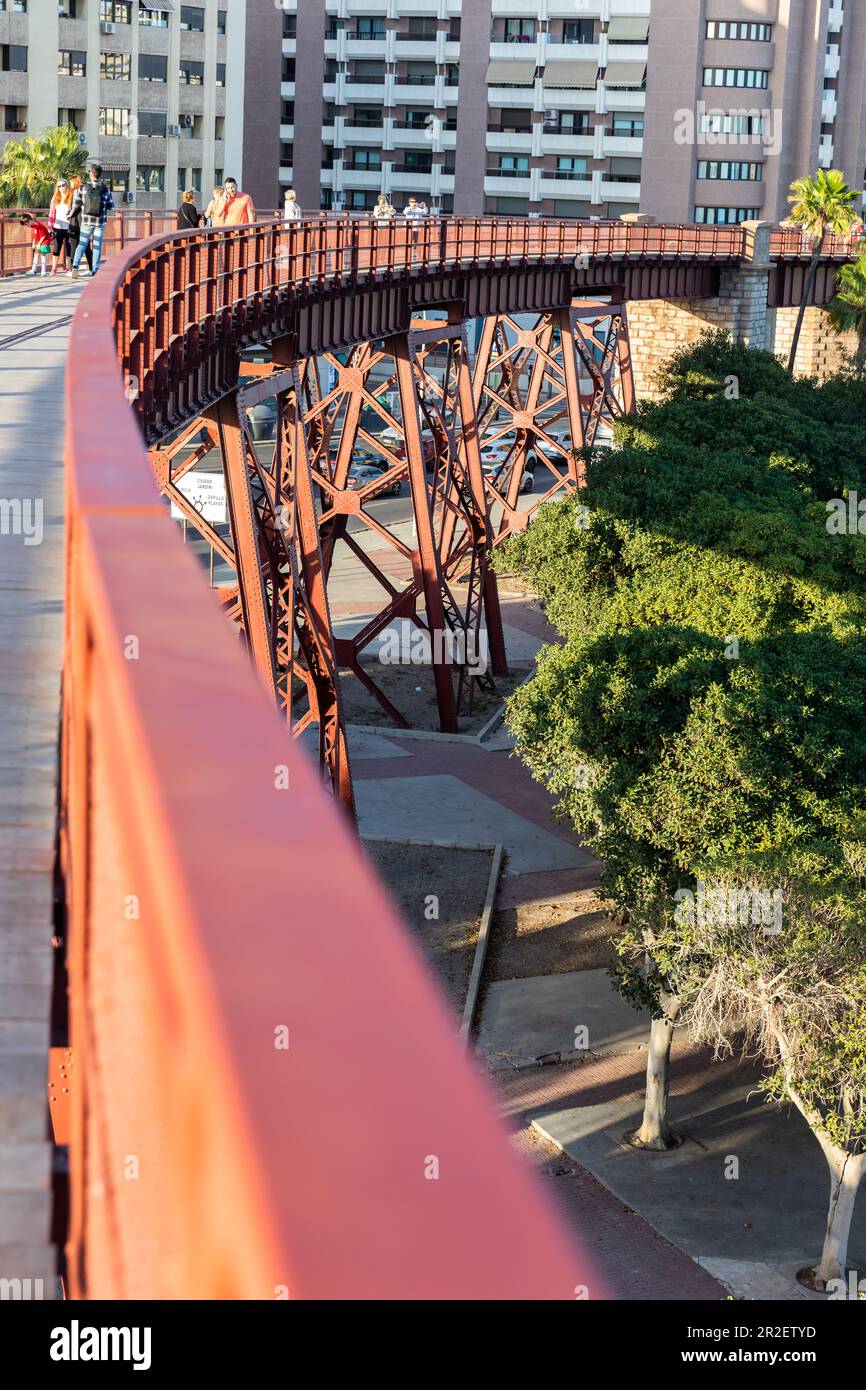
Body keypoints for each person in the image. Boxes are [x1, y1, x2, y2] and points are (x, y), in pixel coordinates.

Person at [69, 163, 114, 279]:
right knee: (97, 246)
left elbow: (77, 204)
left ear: (91, 173)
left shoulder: (83, 187)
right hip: (99, 222)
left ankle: (75, 267)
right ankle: (95, 270)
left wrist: (71, 214)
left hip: (86, 221)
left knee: (82, 244)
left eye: (89, 171)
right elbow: (110, 205)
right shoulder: (105, 188)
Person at [66, 175, 93, 275]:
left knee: (73, 244)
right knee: (86, 246)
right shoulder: (86, 191)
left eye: (71, 182)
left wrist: (69, 214)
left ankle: (74, 269)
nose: (70, 184)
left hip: (76, 222)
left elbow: (76, 207)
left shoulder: (77, 192)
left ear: (76, 182)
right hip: (84, 222)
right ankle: (92, 268)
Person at [48, 179, 73, 274]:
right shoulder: (55, 198)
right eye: (59, 186)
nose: (61, 187)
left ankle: (68, 268)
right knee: (57, 247)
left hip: (69, 226)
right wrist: (50, 227)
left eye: (63, 185)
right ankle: (53, 269)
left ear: (67, 185)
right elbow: (51, 213)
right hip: (57, 226)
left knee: (69, 247)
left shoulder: (71, 197)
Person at [16, 213, 51, 277]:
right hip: (39, 241)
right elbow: (35, 235)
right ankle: (33, 270)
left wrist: (39, 244)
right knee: (36, 254)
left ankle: (43, 271)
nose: (27, 226)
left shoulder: (38, 225)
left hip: (44, 241)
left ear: (30, 220)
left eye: (26, 224)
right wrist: (34, 243)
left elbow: (43, 236)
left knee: (43, 254)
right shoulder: (32, 226)